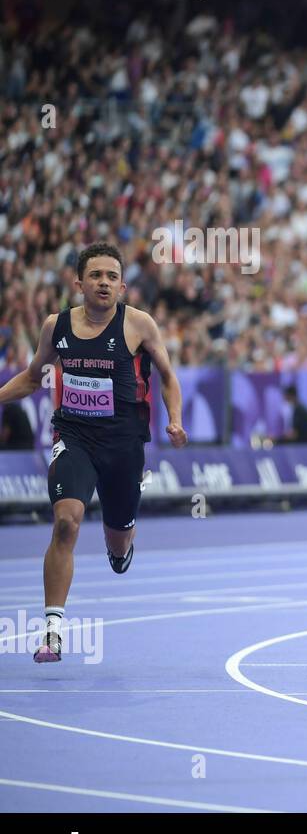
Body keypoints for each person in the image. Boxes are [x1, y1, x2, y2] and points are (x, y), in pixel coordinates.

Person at [0, 243, 187, 663]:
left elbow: (169, 378)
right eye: (96, 275)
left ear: (122, 285)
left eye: (112, 276)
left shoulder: (139, 325)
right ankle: (52, 632)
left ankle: (120, 546)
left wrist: (174, 419)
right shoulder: (56, 326)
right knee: (66, 522)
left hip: (123, 446)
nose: (104, 282)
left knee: (119, 542)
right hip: (75, 437)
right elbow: (33, 378)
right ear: (79, 282)